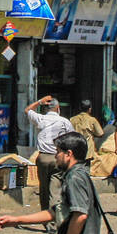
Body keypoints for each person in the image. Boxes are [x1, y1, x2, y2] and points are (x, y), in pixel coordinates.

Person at [25, 95, 75, 226]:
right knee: (56, 190)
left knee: (44, 189)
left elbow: (27, 110)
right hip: (58, 158)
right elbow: (72, 140)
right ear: (58, 108)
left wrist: (39, 102)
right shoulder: (65, 122)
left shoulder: (40, 118)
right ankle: (54, 219)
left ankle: (45, 219)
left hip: (42, 158)